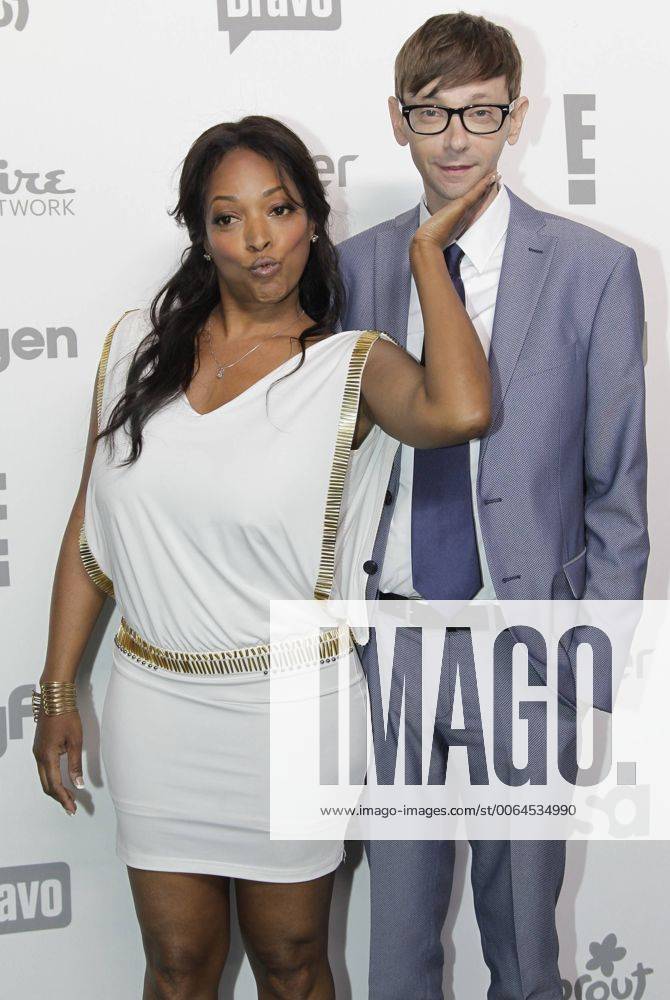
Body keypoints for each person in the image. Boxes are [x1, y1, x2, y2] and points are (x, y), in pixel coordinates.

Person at [31, 115, 493, 1000]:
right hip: (155, 708)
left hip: (293, 716)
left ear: (313, 219)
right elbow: (89, 529)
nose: (257, 239)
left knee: (291, 964)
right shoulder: (135, 351)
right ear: (201, 235)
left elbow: (462, 410)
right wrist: (56, 688)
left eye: (279, 210)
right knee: (176, 968)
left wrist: (427, 256)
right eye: (228, 217)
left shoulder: (351, 366)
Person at [336, 12, 648, 1000]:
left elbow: (617, 489)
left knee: (523, 945)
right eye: (432, 112)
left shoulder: (593, 270)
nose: (457, 137)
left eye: (481, 112)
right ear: (397, 119)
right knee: (396, 947)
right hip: (387, 643)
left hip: (525, 648)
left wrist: (585, 665)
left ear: (517, 117)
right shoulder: (352, 267)